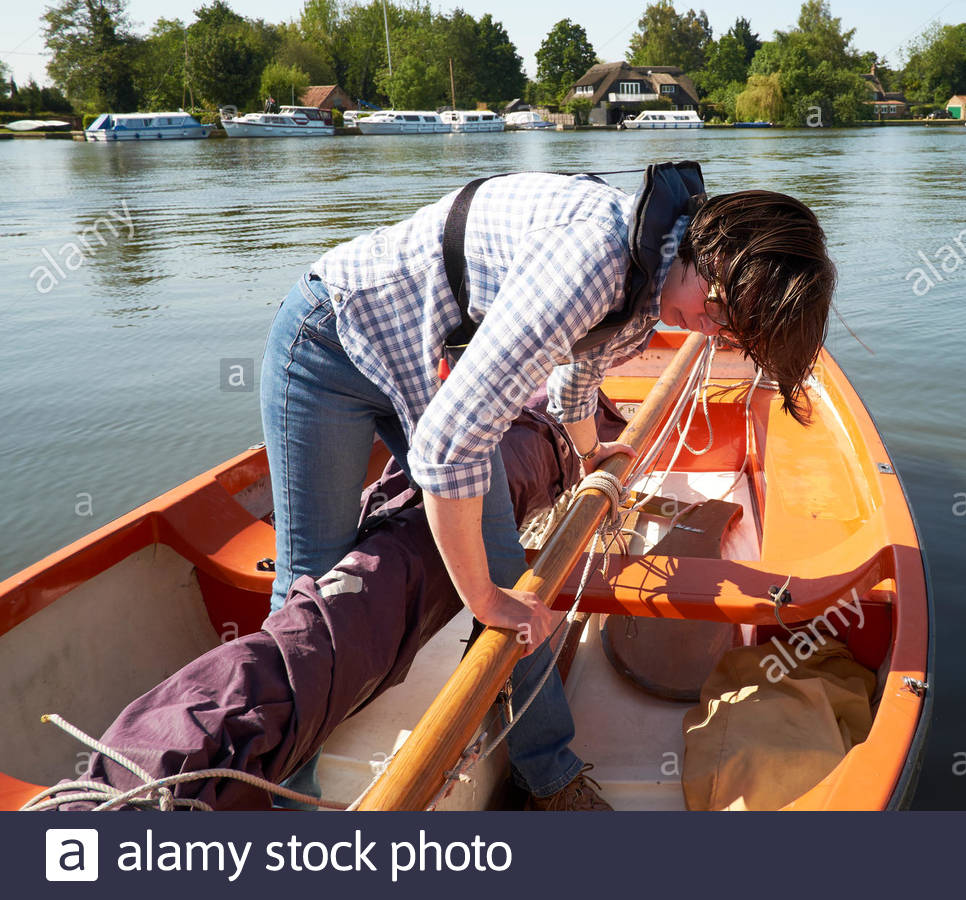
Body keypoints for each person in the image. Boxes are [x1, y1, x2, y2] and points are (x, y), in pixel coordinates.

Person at [259, 170, 836, 810]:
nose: (708, 328)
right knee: (313, 577)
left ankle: (549, 775)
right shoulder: (594, 262)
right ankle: (289, 801)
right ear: (713, 245)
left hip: (418, 362)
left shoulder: (658, 276)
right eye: (719, 307)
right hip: (330, 343)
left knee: (516, 585)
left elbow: (578, 365)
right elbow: (449, 447)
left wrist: (592, 454)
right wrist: (480, 598)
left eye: (731, 334)